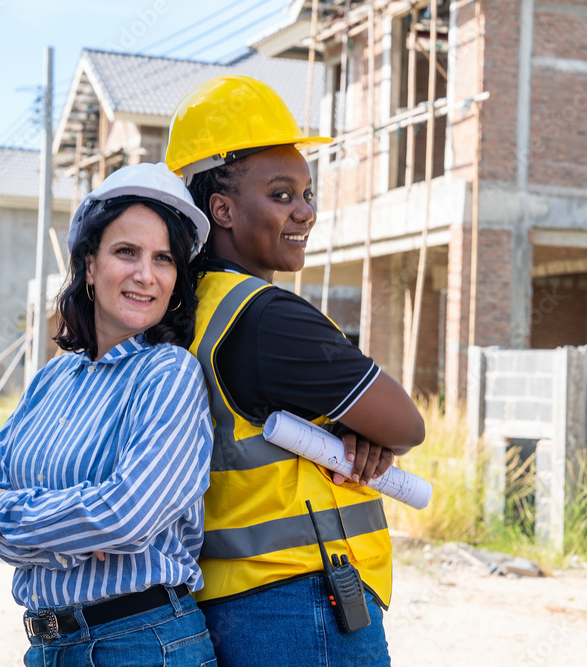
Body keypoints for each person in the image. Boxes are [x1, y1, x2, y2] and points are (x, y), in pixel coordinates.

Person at [164, 75, 426, 666]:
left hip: (226, 601)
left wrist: (344, 431)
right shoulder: (265, 317)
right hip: (302, 606)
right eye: (281, 194)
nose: (305, 212)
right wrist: (364, 434)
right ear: (221, 208)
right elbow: (406, 426)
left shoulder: (184, 306)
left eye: (308, 193)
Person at [0, 162, 218, 667]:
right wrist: (79, 532)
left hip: (143, 644)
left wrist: (11, 513)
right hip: (47, 647)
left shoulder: (169, 373)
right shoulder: (52, 379)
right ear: (88, 265)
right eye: (127, 252)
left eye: (164, 259)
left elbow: (125, 517)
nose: (145, 274)